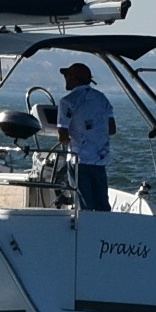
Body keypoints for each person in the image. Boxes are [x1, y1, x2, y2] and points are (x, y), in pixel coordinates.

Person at [53, 61, 115, 212]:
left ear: (73, 78)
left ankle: (86, 233)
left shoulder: (67, 102)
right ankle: (103, 233)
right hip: (99, 161)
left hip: (78, 160)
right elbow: (111, 129)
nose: (65, 79)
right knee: (102, 205)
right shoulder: (102, 99)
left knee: (83, 205)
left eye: (67, 76)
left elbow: (62, 136)